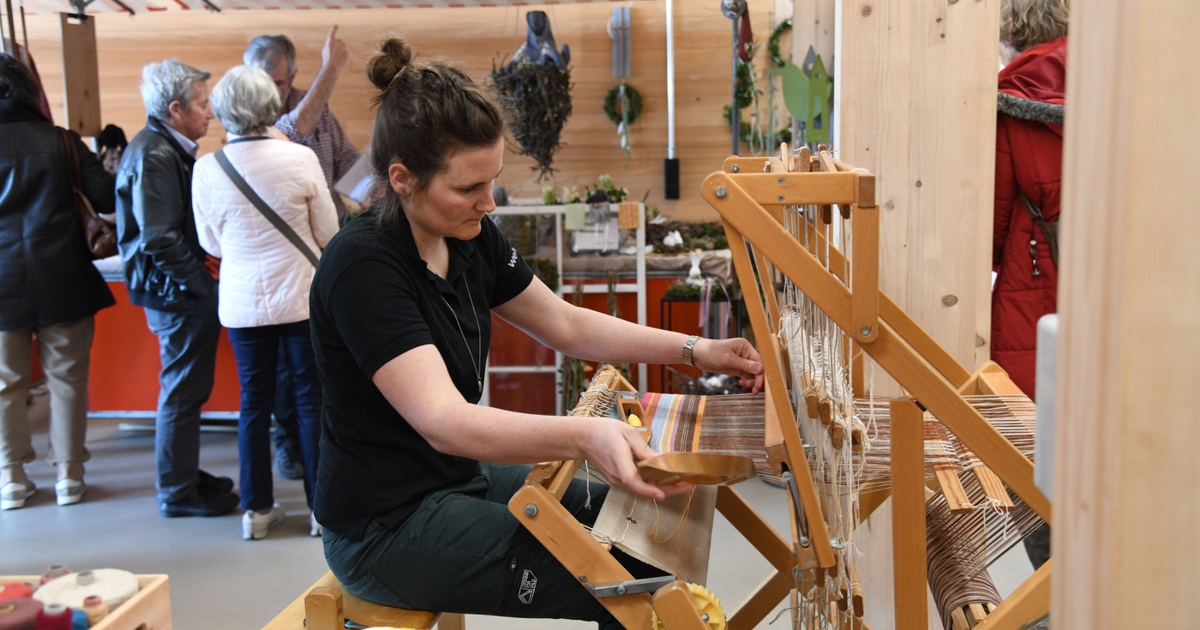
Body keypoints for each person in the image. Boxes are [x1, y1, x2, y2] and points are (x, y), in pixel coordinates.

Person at [311, 38, 764, 627]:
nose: (489, 203)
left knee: (645, 525)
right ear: (402, 178)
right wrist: (583, 436)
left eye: (492, 182)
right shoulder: (364, 266)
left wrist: (697, 350)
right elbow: (443, 421)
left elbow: (565, 324)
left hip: (457, 478)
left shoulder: (470, 236)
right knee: (632, 581)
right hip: (385, 525)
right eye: (468, 188)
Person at [192, 65, 339, 539]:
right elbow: (329, 233)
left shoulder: (207, 169)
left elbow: (210, 244)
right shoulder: (299, 158)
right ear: (272, 107)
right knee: (310, 399)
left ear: (222, 111)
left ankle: (256, 511)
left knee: (253, 403)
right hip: (300, 297)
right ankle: (319, 510)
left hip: (243, 304)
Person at [115, 58, 239, 518]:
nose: (210, 112)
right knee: (183, 392)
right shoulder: (155, 155)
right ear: (175, 109)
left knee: (187, 391)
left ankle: (182, 476)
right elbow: (159, 239)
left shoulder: (164, 147)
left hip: (178, 290)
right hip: (177, 295)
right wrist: (202, 284)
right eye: (202, 104)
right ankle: (176, 490)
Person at [244, 28, 360, 481]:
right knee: (280, 375)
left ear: (291, 79)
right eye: (258, 80)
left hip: (324, 260)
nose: (265, 91)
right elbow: (293, 132)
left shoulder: (316, 109)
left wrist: (396, 195)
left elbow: (350, 166)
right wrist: (330, 69)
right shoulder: (250, 120)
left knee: (319, 366)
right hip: (277, 272)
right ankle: (288, 443)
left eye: (274, 82)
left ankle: (323, 451)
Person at [0, 54, 116, 510]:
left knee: (5, 383)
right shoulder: (62, 141)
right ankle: (70, 475)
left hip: (1, 285)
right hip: (63, 277)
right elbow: (105, 195)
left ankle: (11, 477)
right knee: (66, 378)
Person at [991, 0, 1068, 571]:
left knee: (1038, 454)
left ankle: (1053, 589)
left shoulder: (1010, 100)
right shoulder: (1135, 81)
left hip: (1035, 297)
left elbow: (990, 230)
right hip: (1135, 294)